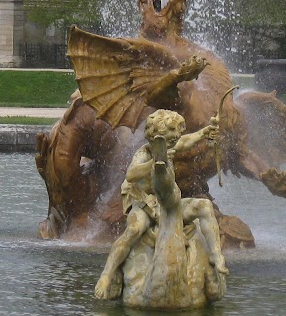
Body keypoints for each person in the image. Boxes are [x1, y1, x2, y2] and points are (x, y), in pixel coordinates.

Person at [94, 109, 227, 299]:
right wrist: (155, 163)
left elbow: (187, 141)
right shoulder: (144, 153)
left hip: (165, 202)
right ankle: (107, 274)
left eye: (176, 137)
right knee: (134, 229)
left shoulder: (171, 145)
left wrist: (205, 132)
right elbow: (131, 174)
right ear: (156, 138)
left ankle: (216, 255)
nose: (175, 141)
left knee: (204, 206)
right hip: (143, 202)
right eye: (170, 139)